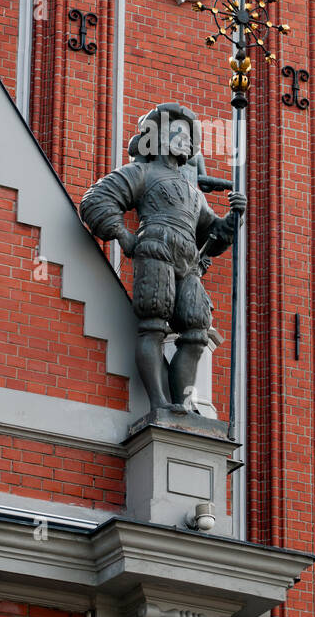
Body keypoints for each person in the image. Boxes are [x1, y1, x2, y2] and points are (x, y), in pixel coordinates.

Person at [79, 103, 244, 416]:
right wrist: (125, 237)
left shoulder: (194, 193)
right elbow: (96, 200)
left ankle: (180, 402)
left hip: (188, 260)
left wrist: (235, 216)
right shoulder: (142, 172)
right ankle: (159, 402)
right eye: (176, 132)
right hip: (155, 248)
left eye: (187, 135)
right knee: (153, 323)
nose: (183, 139)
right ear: (158, 138)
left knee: (196, 329)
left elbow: (214, 234)